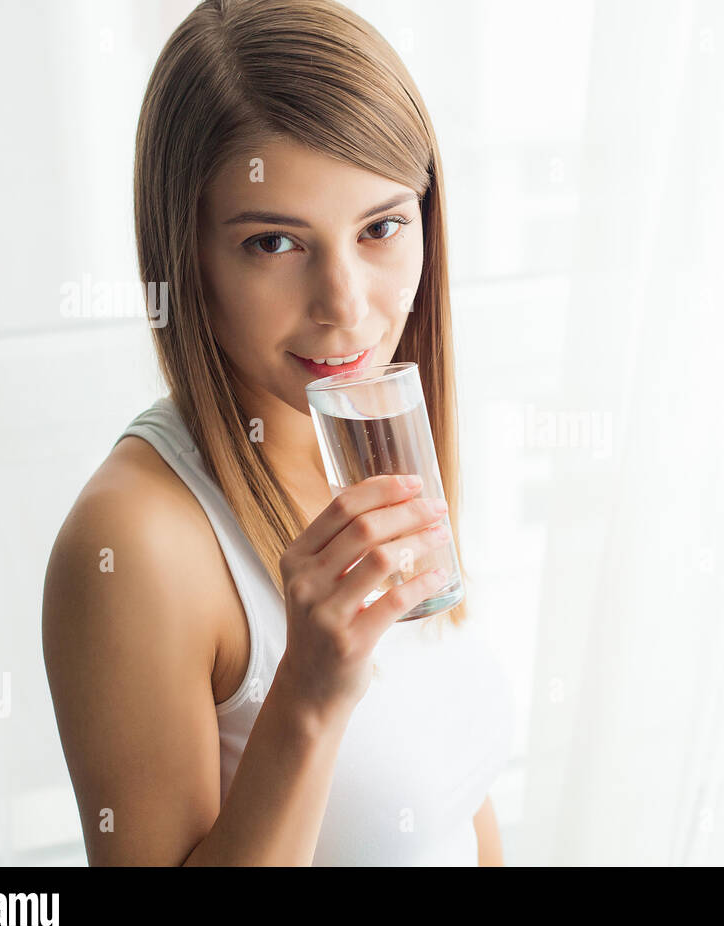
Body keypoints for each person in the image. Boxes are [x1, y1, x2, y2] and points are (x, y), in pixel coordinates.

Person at [41, 0, 512, 866]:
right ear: (186, 258)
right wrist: (308, 697)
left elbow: (456, 802)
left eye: (380, 227)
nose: (346, 304)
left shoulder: (374, 443)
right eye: (273, 244)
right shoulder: (134, 545)